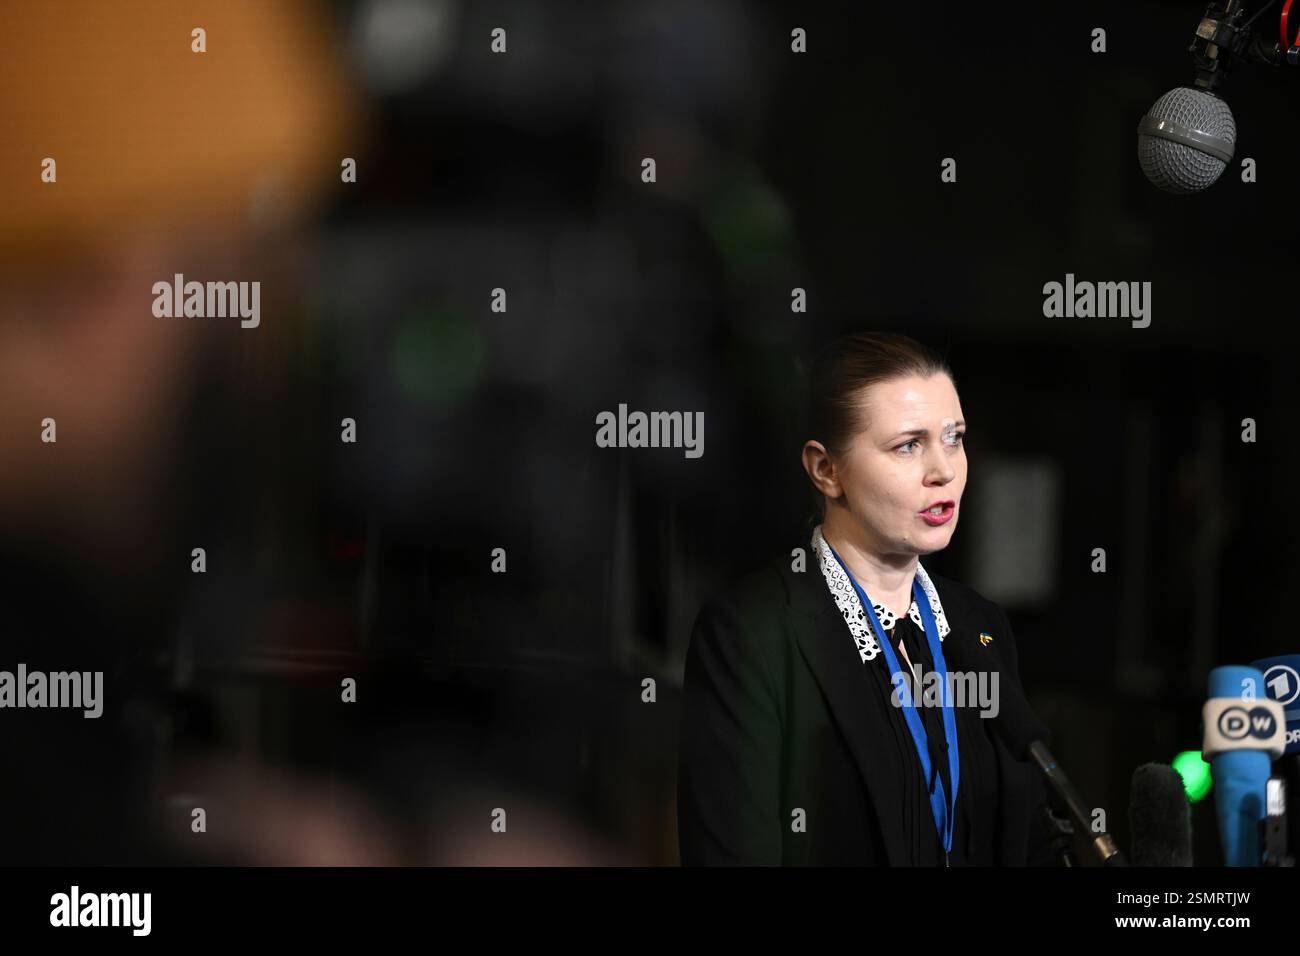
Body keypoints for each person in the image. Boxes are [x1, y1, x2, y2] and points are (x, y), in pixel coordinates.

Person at [676, 331, 1059, 865]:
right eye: (908, 445)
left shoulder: (977, 625)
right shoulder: (750, 633)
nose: (943, 470)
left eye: (954, 437)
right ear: (825, 469)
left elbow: (1029, 840)